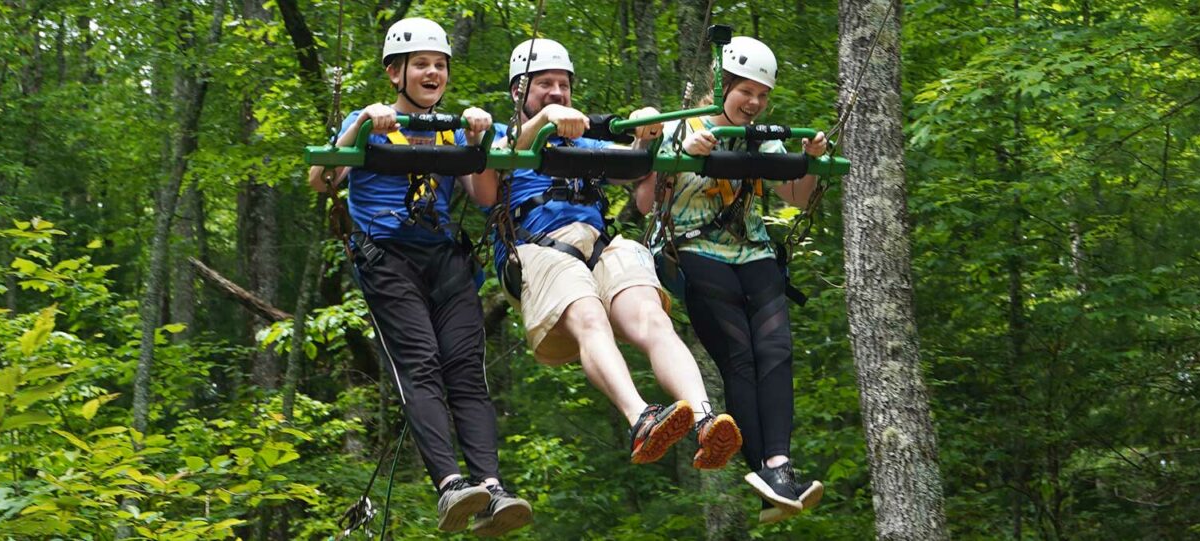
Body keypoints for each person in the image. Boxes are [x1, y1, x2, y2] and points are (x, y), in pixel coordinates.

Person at [306, 17, 528, 537]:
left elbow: (485, 196)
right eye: (422, 65)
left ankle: (491, 487)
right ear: (395, 73)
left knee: (466, 370)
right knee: (422, 363)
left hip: (445, 260)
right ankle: (450, 484)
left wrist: (477, 139)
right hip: (387, 259)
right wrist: (363, 123)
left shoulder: (451, 127)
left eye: (440, 65)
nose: (433, 73)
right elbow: (322, 179)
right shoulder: (371, 121)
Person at [492, 38, 743, 471]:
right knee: (589, 315)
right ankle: (640, 417)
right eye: (545, 84)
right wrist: (546, 119)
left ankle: (704, 418)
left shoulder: (584, 144)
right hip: (536, 248)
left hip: (598, 245)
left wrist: (645, 134)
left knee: (651, 317)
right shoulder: (499, 135)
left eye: (563, 85)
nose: (557, 92)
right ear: (519, 91)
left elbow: (633, 167)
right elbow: (500, 160)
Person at [636, 36, 827, 524]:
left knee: (776, 350)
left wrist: (809, 160)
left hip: (753, 249)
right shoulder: (684, 127)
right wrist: (681, 154)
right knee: (739, 356)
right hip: (693, 249)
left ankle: (778, 467)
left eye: (762, 95)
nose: (754, 103)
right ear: (722, 86)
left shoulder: (762, 139)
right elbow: (644, 202)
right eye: (746, 92)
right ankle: (768, 476)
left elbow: (797, 196)